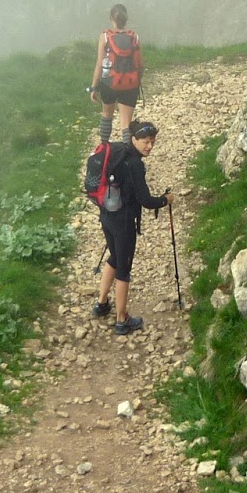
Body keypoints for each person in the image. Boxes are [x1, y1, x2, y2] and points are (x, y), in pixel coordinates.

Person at [92, 121, 173, 335]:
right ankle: (122, 320)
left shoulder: (118, 152)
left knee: (114, 257)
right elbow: (145, 200)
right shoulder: (135, 164)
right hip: (124, 222)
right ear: (134, 139)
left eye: (152, 142)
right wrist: (165, 200)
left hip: (107, 216)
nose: (150, 147)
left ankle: (101, 304)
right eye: (146, 142)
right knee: (124, 268)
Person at [89, 4, 144, 144]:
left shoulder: (105, 37)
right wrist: (136, 81)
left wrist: (94, 87)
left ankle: (104, 148)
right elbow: (140, 65)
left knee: (107, 115)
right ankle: (127, 152)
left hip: (109, 83)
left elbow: (99, 64)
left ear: (111, 19)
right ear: (126, 19)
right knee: (126, 123)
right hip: (130, 84)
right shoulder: (135, 37)